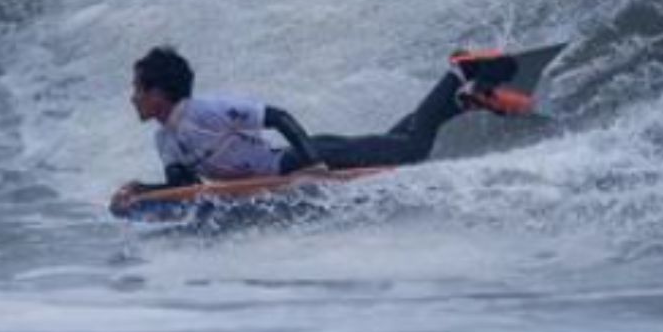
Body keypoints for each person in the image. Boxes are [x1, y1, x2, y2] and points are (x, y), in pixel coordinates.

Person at [115, 45, 541, 205]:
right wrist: (139, 191)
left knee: (412, 150)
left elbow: (278, 116)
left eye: (137, 88)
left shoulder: (204, 111)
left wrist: (314, 164)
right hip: (294, 168)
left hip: (303, 157)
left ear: (158, 93)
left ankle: (460, 72)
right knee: (398, 141)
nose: (133, 96)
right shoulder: (166, 140)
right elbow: (184, 187)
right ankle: (462, 101)